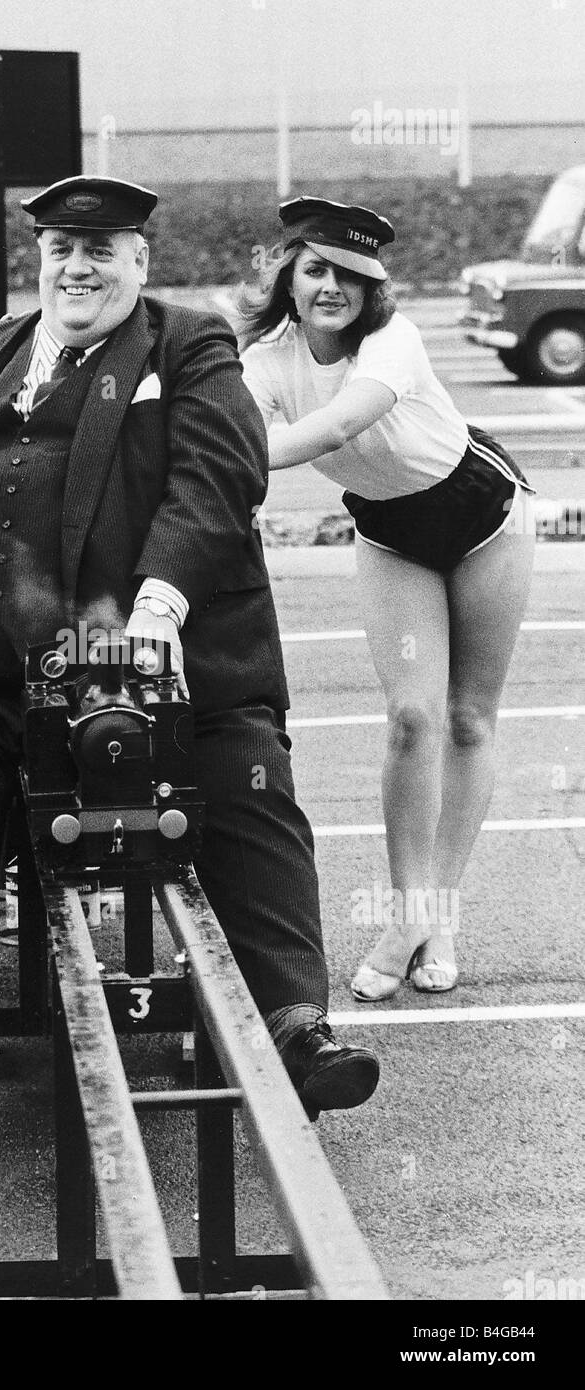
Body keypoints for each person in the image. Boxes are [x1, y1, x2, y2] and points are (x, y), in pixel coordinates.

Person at [0, 175, 379, 1138]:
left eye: (103, 250)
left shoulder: (186, 343)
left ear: (138, 262)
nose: (80, 267)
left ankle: (297, 1030)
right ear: (40, 260)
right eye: (64, 249)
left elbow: (217, 477)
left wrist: (157, 605)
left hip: (143, 653)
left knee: (245, 785)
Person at [238, 197, 536, 1002]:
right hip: (391, 536)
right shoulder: (264, 359)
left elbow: (334, 429)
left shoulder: (391, 342)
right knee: (412, 718)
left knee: (469, 719)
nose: (330, 285)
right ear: (287, 277)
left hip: (486, 519)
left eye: (349, 274)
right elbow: (230, 426)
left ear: (373, 288)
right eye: (314, 269)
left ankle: (432, 915)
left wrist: (226, 455)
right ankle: (408, 909)